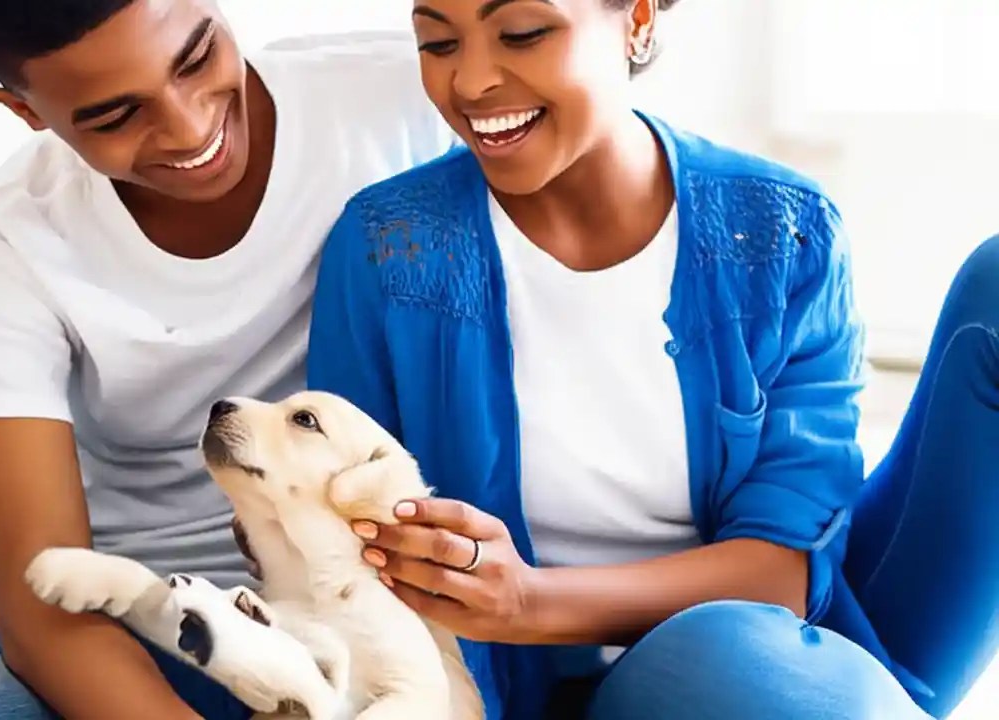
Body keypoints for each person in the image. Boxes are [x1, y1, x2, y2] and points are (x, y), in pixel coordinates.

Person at [0, 1, 453, 718]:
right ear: (27, 112)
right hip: (93, 641)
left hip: (354, 650)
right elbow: (40, 623)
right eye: (114, 115)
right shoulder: (13, 232)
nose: (189, 125)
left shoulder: (403, 103)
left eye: (196, 57)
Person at [303, 0, 999, 718]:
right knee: (719, 655)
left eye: (522, 33)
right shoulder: (388, 248)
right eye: (437, 42)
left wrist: (529, 602)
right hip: (581, 688)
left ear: (636, 17)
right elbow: (345, 540)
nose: (472, 81)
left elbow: (782, 574)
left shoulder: (784, 228)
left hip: (802, 639)